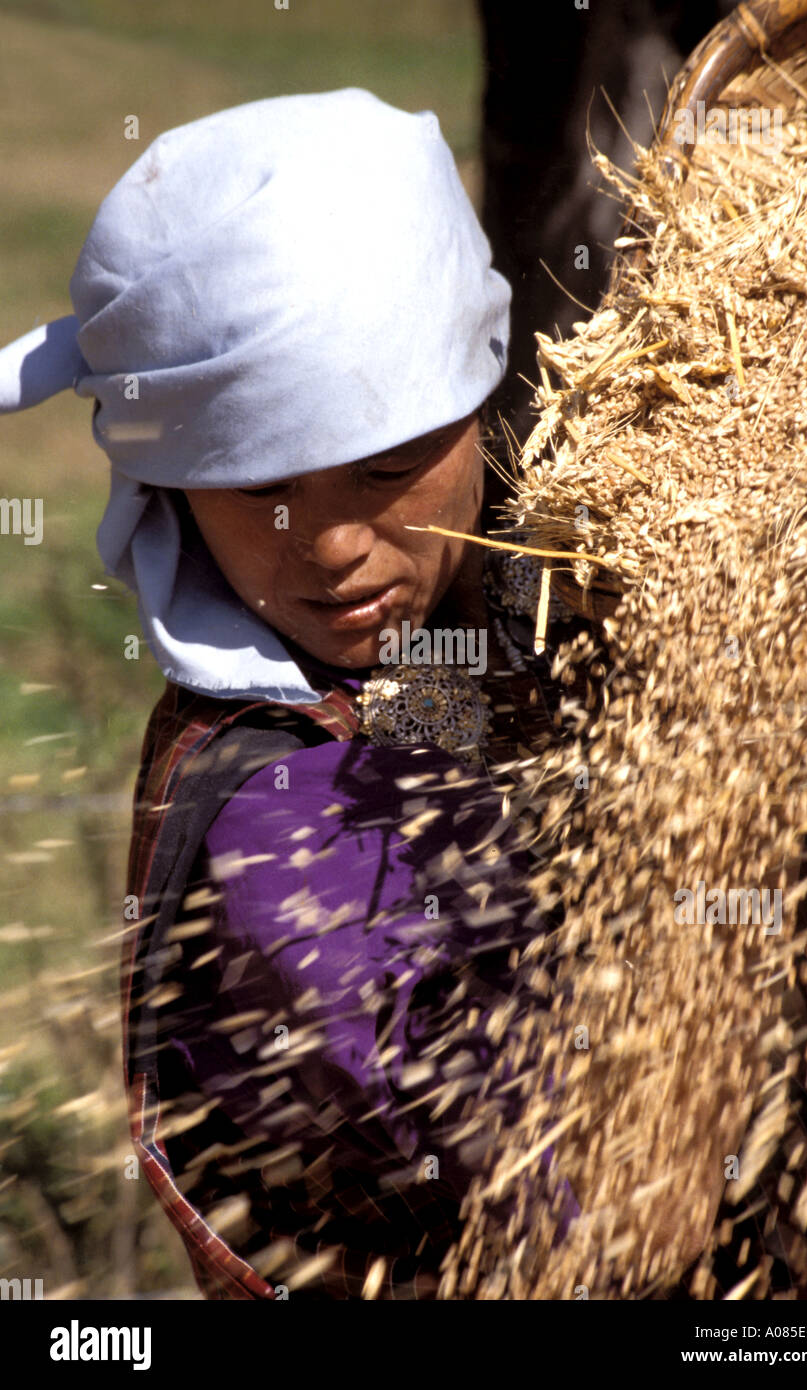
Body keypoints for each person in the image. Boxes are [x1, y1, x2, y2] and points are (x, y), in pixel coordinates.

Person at [0, 90, 585, 1299]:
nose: (329, 551)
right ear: (174, 488)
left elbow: (471, 741)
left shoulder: (395, 660)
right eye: (260, 491)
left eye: (382, 469)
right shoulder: (271, 804)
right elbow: (519, 1160)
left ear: (480, 408)